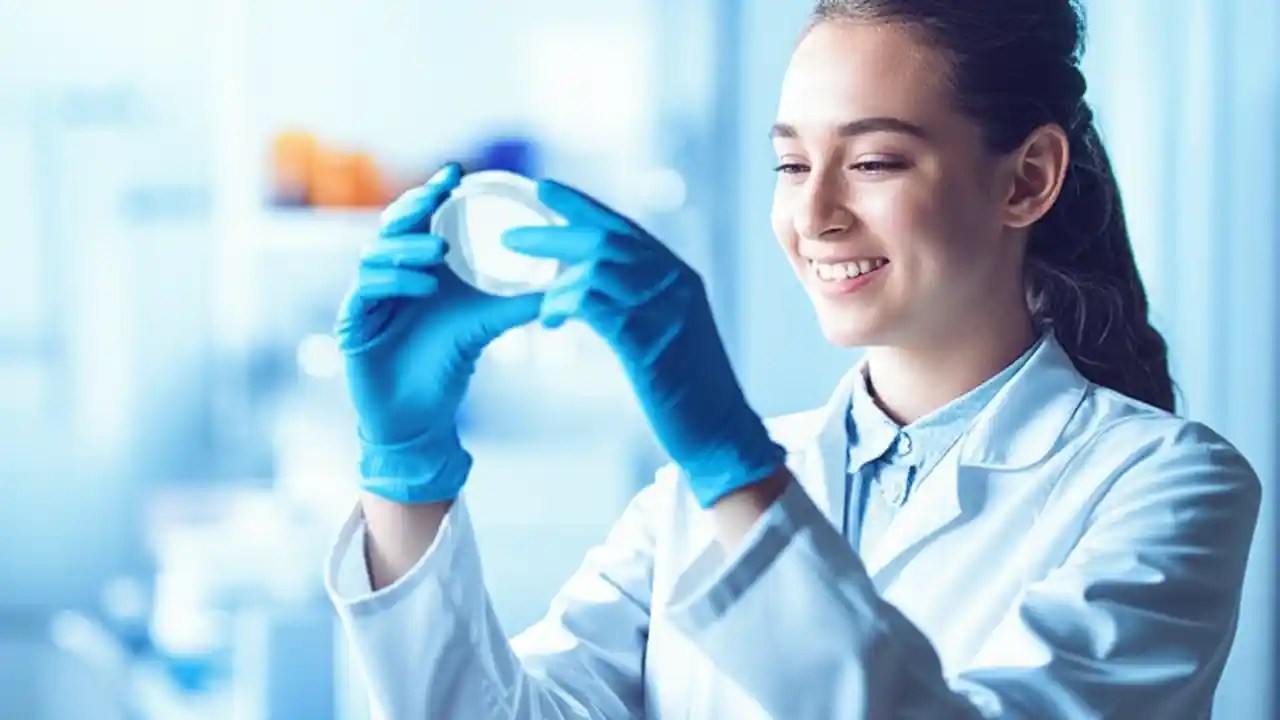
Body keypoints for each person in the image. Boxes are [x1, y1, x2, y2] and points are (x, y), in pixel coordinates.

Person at [325, 1, 1260, 717]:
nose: (813, 217)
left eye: (875, 162)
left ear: (1027, 179)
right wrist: (407, 469)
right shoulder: (694, 501)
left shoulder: (1169, 485)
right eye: (789, 165)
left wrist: (729, 461)